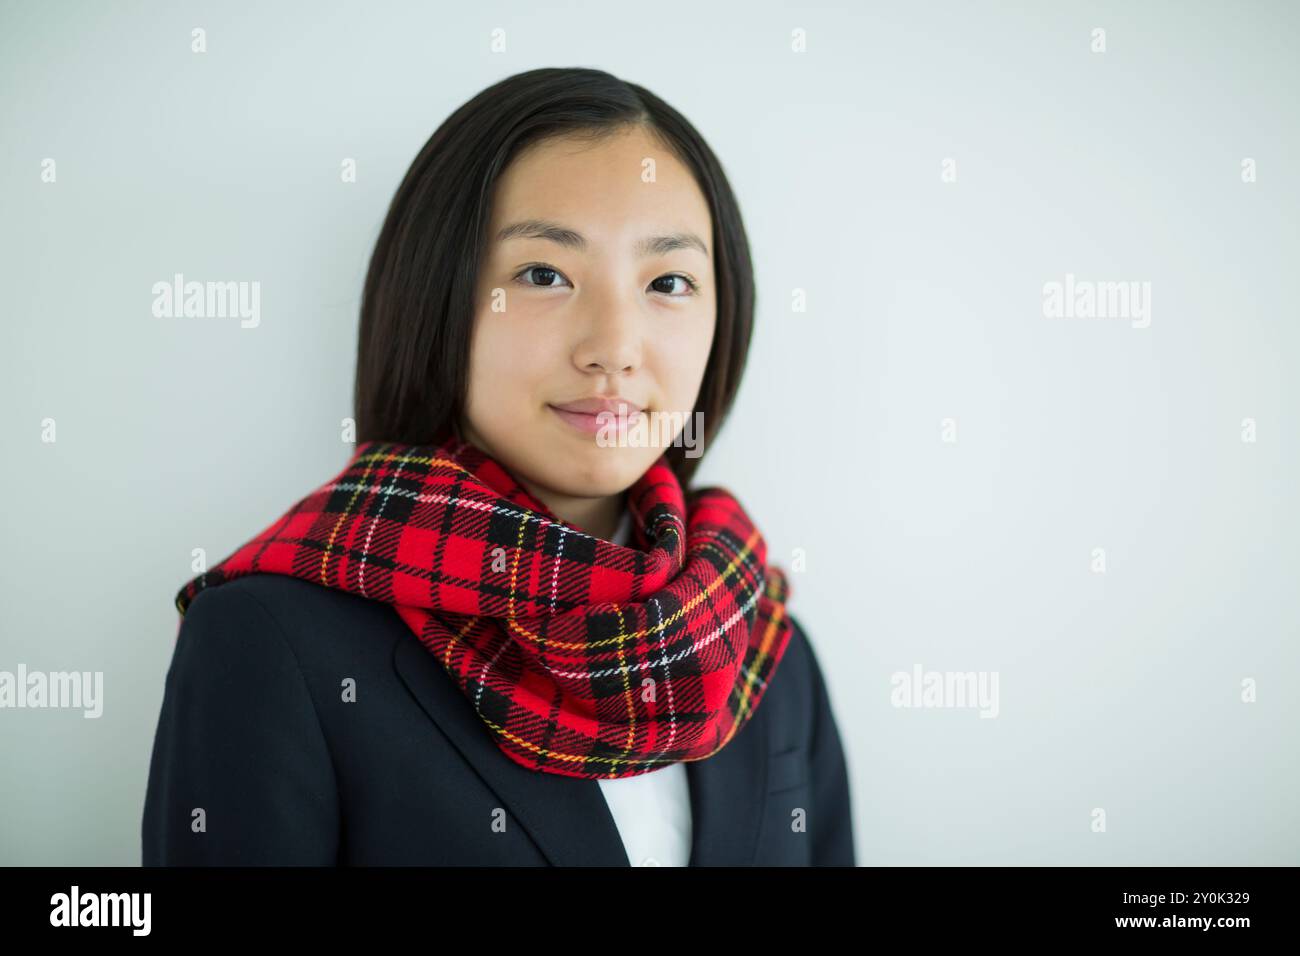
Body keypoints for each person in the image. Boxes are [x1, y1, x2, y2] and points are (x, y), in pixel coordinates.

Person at [141, 66, 855, 867]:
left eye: (668, 282)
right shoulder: (270, 642)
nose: (614, 348)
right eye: (544, 274)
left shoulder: (760, 642)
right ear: (437, 300)